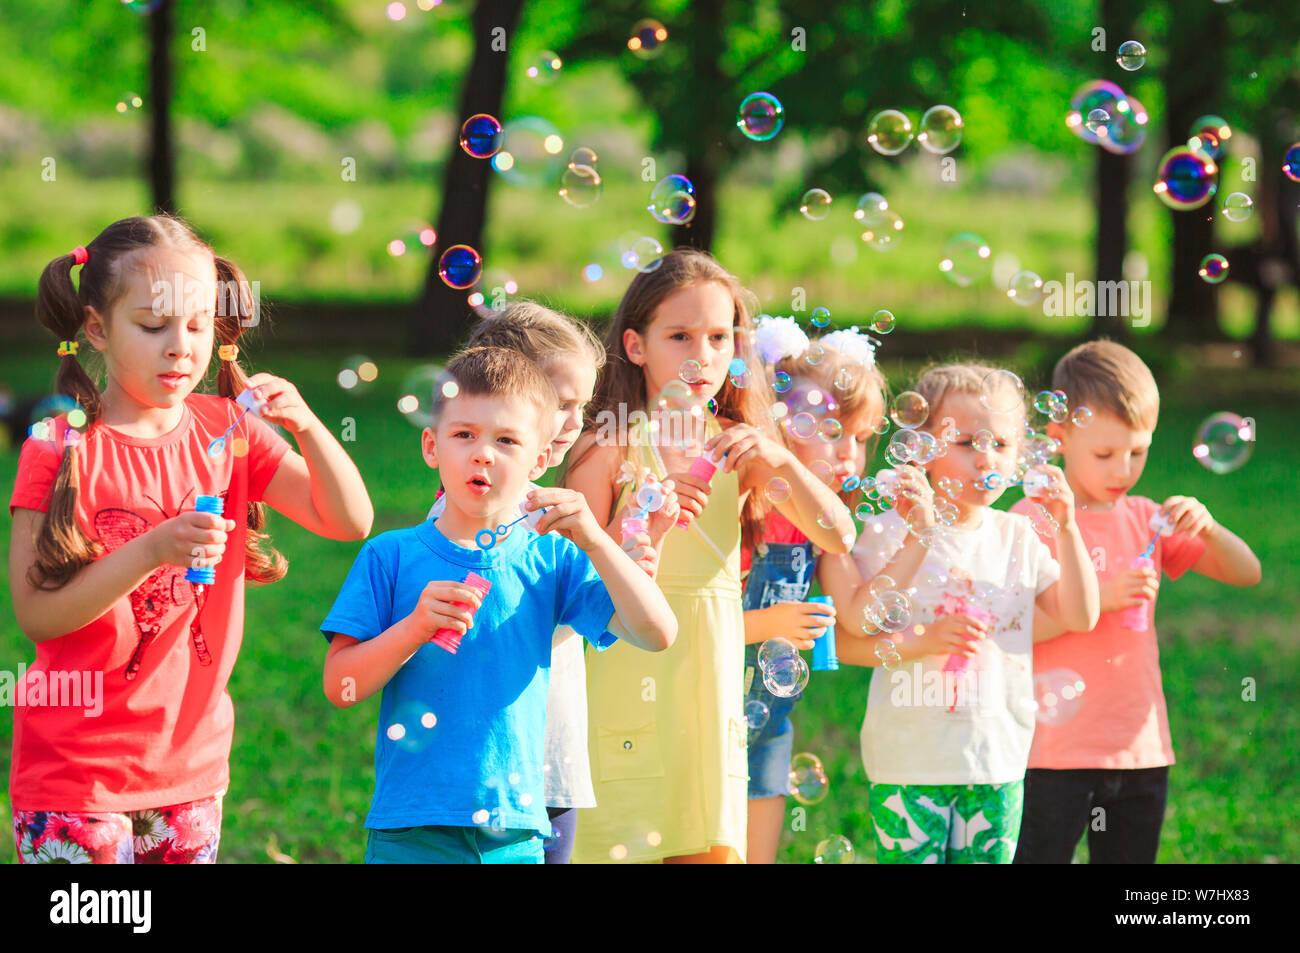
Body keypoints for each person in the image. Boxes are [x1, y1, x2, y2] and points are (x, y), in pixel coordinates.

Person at [9, 215, 373, 864]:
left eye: (199, 325)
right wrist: (150, 549)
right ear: (96, 327)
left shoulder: (229, 430)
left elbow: (348, 520)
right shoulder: (60, 449)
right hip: (75, 774)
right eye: (153, 326)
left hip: (190, 766)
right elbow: (39, 614)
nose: (180, 346)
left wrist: (311, 428)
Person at [321, 346, 676, 864]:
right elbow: (341, 686)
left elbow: (656, 633)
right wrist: (414, 628)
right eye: (464, 434)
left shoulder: (552, 557)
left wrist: (598, 542)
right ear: (431, 445)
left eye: (506, 440)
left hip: (515, 833)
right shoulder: (389, 556)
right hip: (413, 827)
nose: (483, 453)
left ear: (539, 458)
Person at [565, 249, 854, 863]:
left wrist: (781, 461)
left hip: (712, 674)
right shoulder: (610, 445)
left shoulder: (740, 447)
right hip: (628, 664)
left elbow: (838, 535)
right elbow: (573, 575)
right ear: (637, 346)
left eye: (720, 337)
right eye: (681, 336)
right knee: (623, 838)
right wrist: (638, 517)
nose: (703, 356)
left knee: (707, 847)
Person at [1012, 340, 1261, 864]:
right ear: (1057, 437)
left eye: (1137, 451)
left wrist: (1210, 530)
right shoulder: (1033, 519)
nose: (1123, 469)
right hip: (1054, 751)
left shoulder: (1148, 519)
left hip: (1140, 747)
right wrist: (1097, 598)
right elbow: (1012, 627)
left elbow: (1248, 573)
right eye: (1104, 454)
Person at [841, 362, 1099, 863]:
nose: (986, 460)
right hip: (908, 761)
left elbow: (1080, 615)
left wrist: (1067, 529)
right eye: (965, 444)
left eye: (1000, 445)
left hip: (997, 759)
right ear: (921, 451)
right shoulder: (890, 534)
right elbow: (854, 632)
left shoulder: (1017, 536)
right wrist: (925, 636)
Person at [425, 302, 650, 863]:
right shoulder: (467, 516)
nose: (573, 423)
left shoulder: (550, 514)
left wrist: (633, 553)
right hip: (490, 762)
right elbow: (500, 634)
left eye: (582, 406)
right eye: (560, 403)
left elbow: (626, 619)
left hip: (550, 753)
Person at [740, 326, 887, 863]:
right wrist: (767, 624)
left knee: (760, 825)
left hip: (771, 720)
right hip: (709, 706)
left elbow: (857, 614)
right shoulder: (740, 508)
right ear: (776, 425)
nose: (849, 454)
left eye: (863, 437)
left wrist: (918, 537)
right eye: (831, 430)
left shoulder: (825, 527)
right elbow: (696, 618)